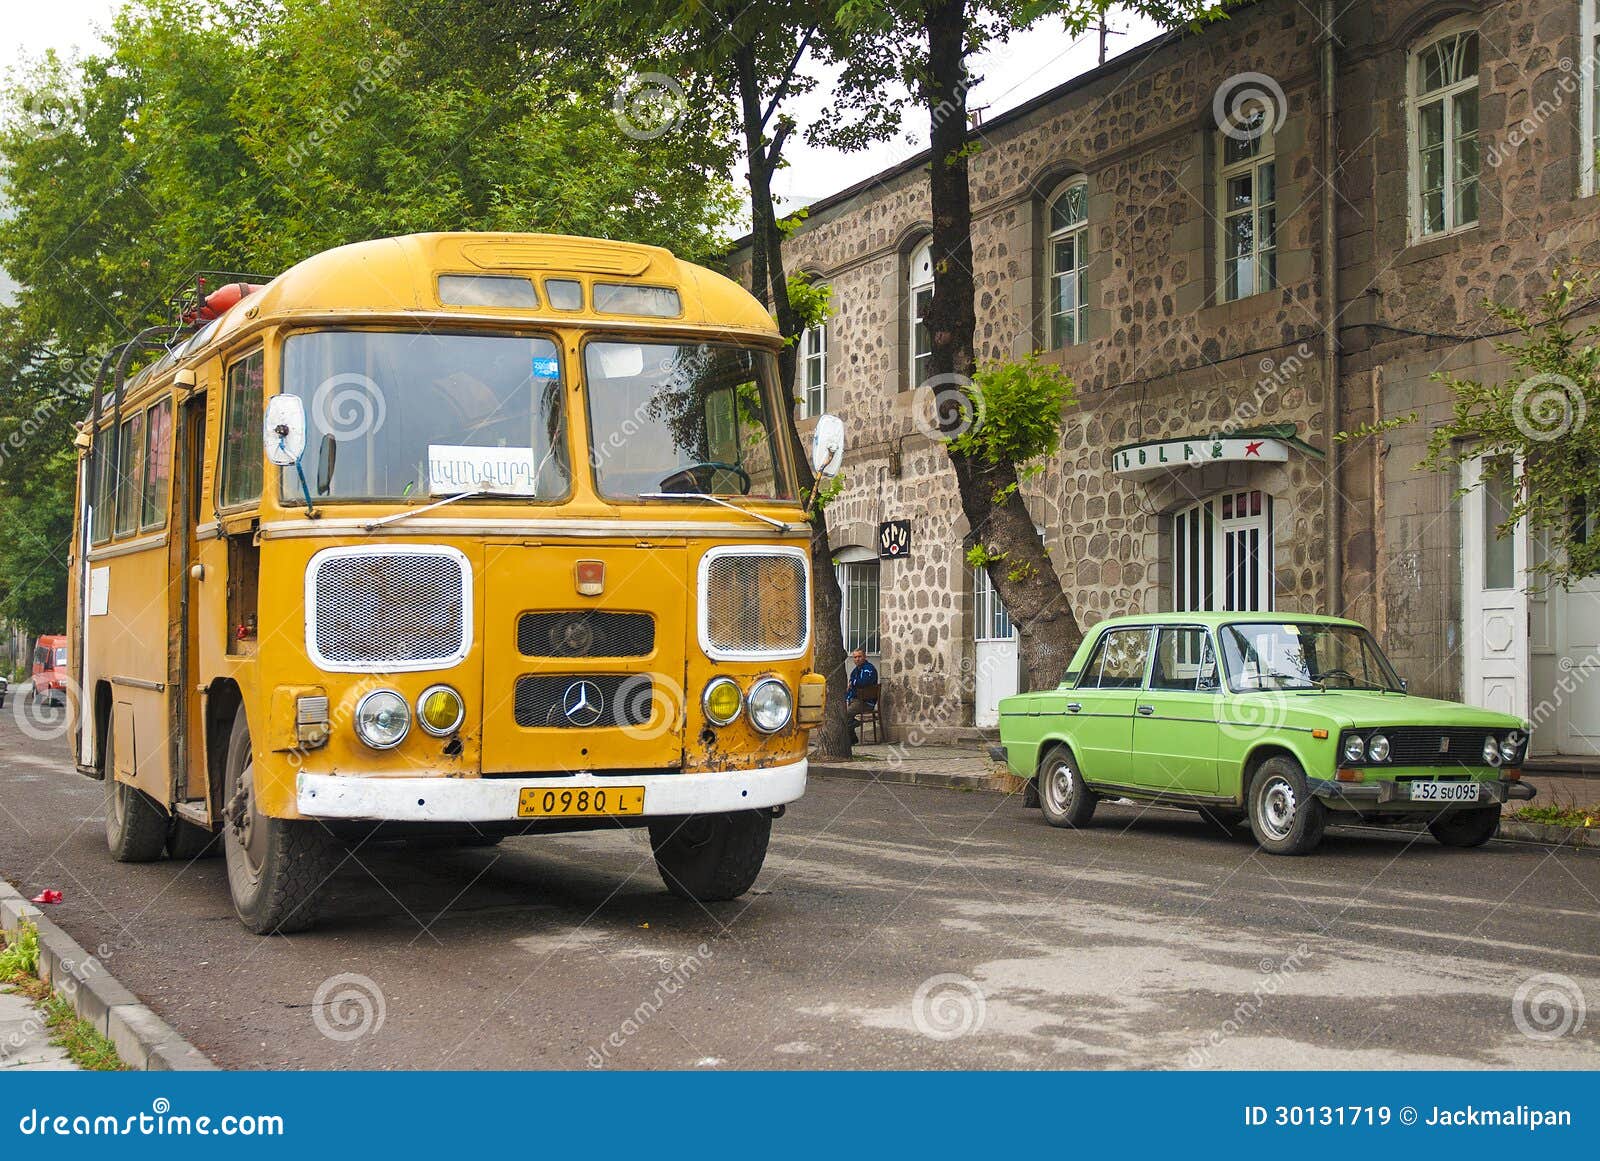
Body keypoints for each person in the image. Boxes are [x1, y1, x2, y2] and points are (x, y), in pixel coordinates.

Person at [845, 648, 878, 743]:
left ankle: (856, 723)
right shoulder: (855, 671)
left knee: (844, 715)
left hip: (866, 702)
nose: (857, 659)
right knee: (841, 712)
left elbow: (863, 682)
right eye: (855, 657)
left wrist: (853, 682)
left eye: (859, 656)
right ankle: (852, 738)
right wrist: (847, 699)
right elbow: (850, 688)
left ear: (865, 657)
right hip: (855, 701)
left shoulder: (869, 669)